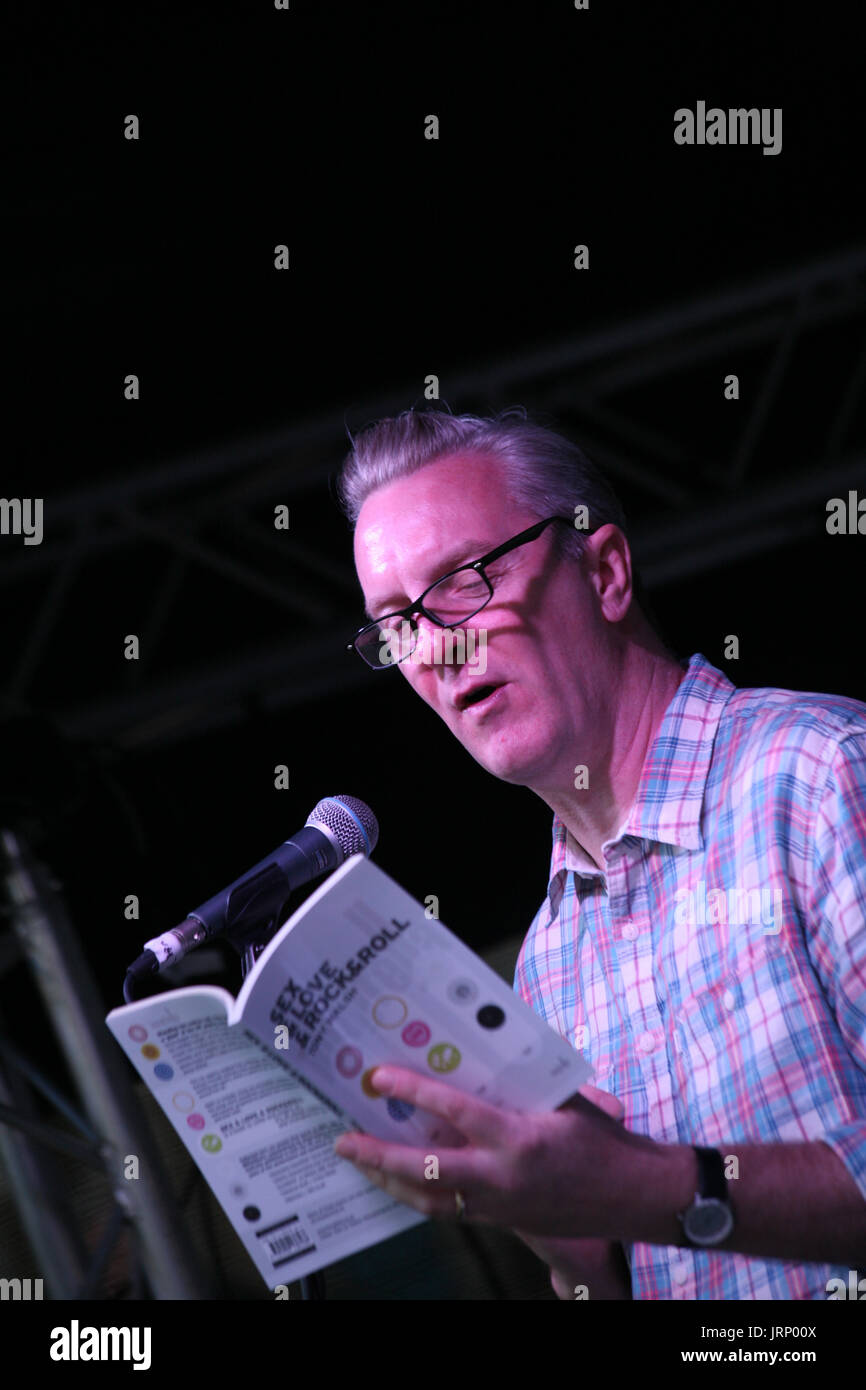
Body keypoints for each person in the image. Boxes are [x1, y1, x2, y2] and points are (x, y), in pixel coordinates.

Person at [332, 406, 866, 1299]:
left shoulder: (819, 777)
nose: (436, 648)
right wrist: (563, 1239)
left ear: (606, 572)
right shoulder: (551, 956)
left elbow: (662, 1199)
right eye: (396, 624)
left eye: (464, 581)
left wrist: (649, 1186)